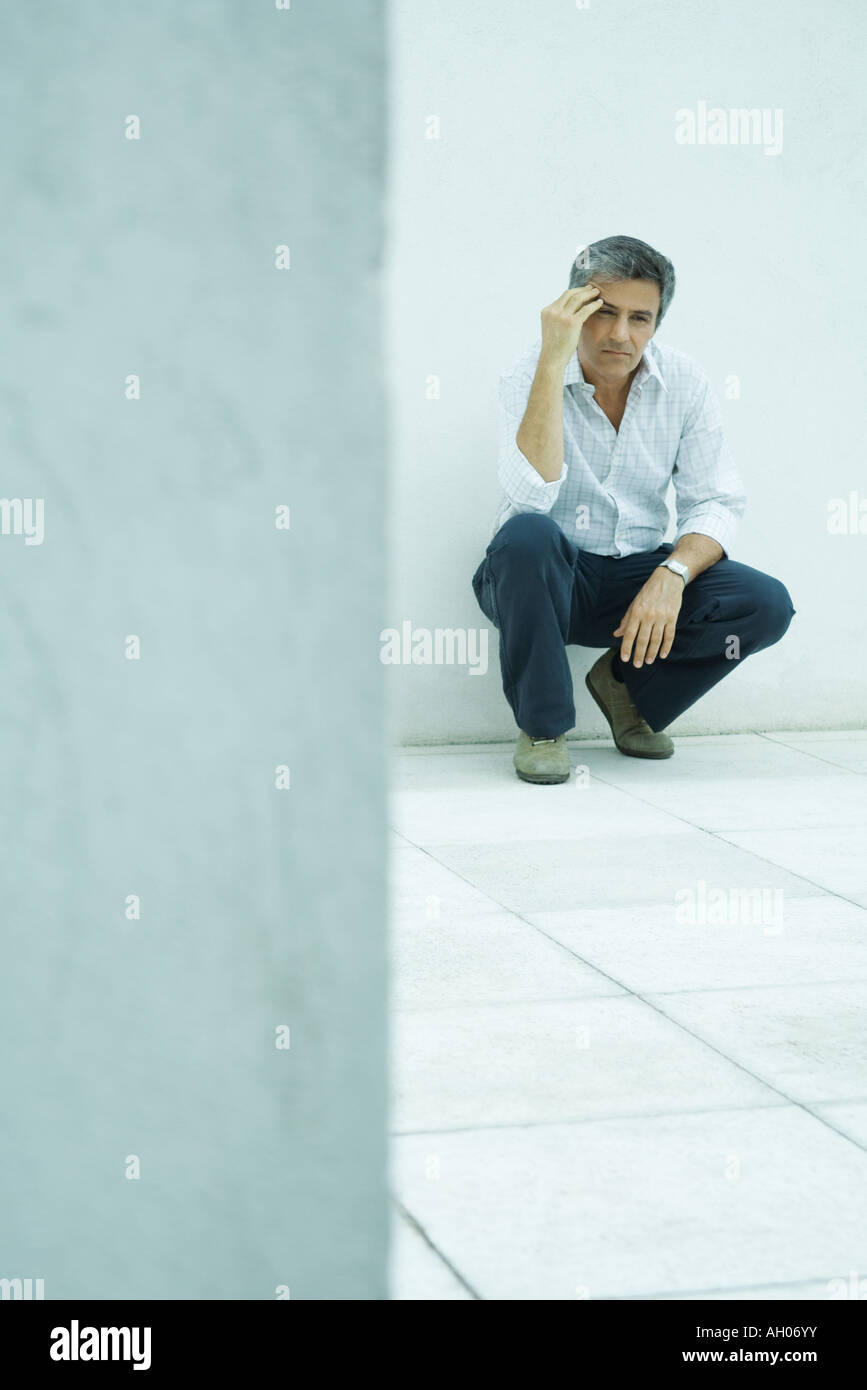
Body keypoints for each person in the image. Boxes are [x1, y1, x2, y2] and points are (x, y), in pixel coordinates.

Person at [471, 235, 795, 784]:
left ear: (655, 324)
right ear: (574, 310)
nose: (621, 335)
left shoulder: (685, 382)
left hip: (637, 582)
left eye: (639, 318)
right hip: (544, 577)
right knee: (527, 535)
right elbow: (529, 497)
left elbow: (715, 499)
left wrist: (672, 574)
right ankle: (543, 728)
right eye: (604, 313)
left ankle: (626, 688)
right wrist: (554, 360)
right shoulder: (530, 372)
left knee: (763, 602)